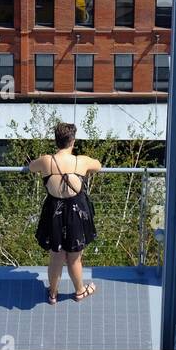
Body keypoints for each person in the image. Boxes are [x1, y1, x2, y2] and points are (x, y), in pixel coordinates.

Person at [28, 123, 102, 304]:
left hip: (54, 211)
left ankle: (52, 294)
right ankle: (79, 291)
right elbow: (98, 166)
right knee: (74, 257)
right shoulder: (81, 161)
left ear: (56, 141)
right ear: (73, 141)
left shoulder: (47, 161)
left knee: (56, 256)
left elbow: (31, 167)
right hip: (76, 212)